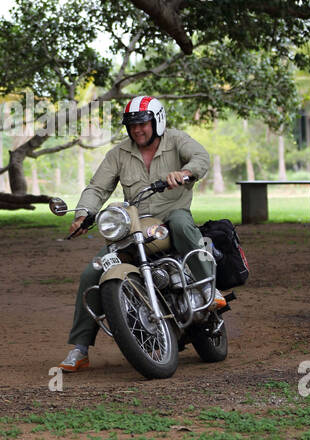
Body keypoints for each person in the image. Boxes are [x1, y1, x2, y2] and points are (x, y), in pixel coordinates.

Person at [59, 94, 214, 372]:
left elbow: (201, 157)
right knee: (92, 272)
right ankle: (80, 348)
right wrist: (83, 212)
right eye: (132, 125)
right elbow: (98, 188)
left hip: (170, 217)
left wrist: (185, 172)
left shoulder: (177, 140)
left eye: (142, 123)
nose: (137, 130)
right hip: (135, 225)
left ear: (157, 122)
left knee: (180, 223)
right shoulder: (119, 153)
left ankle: (206, 290)